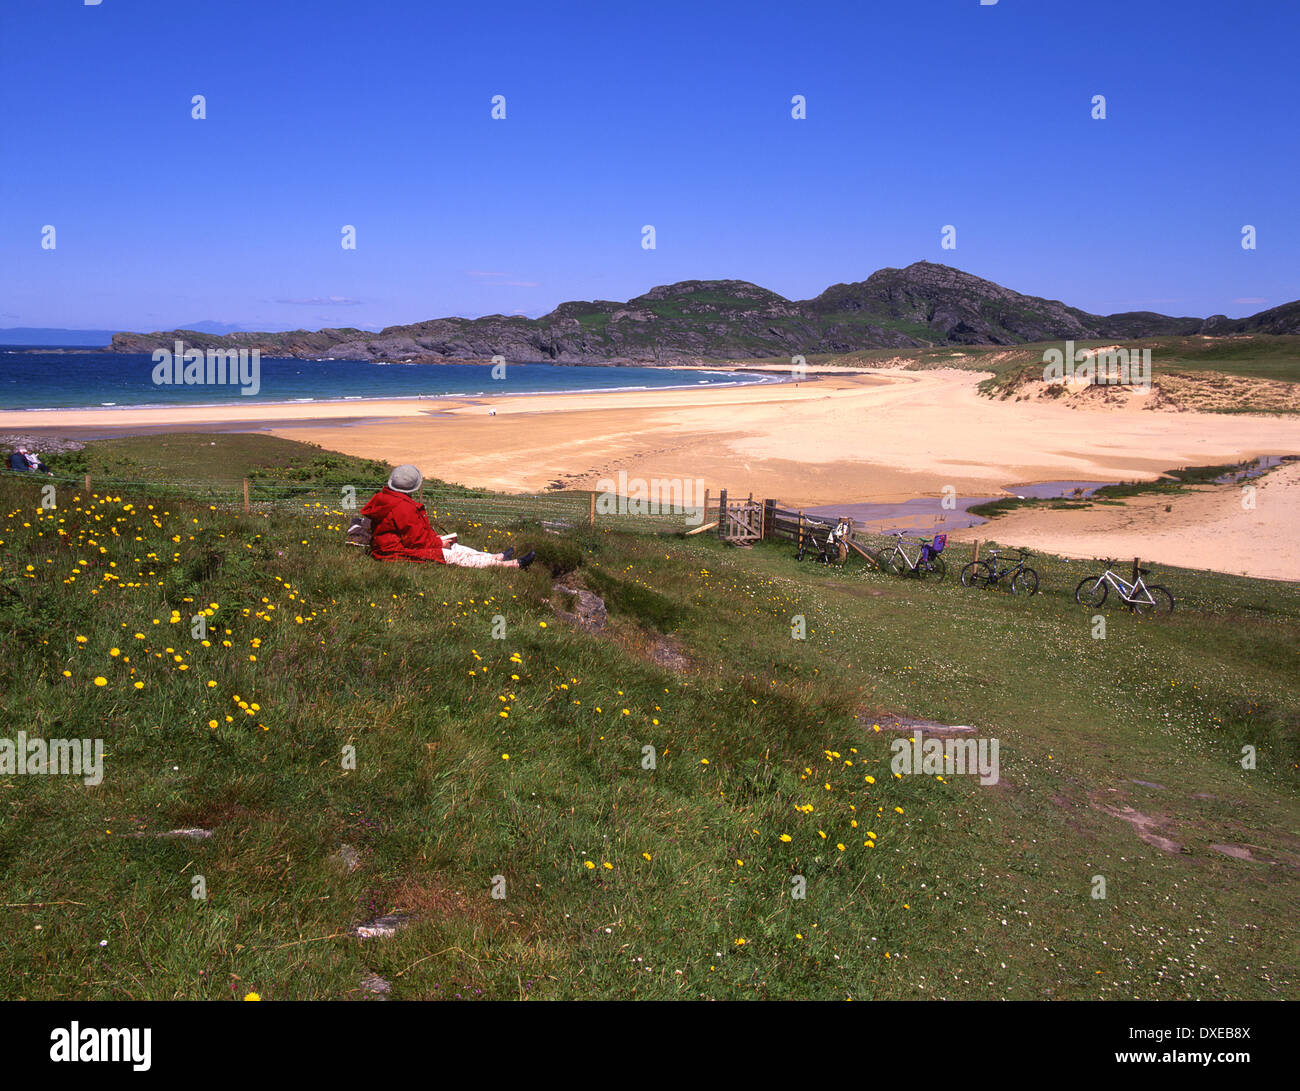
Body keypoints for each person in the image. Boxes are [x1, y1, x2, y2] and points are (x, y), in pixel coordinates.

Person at [360, 464, 534, 569]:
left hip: (389, 548)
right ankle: (508, 565)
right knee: (451, 555)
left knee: (453, 546)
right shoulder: (403, 507)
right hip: (394, 553)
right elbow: (415, 541)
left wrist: (437, 540)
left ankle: (494, 557)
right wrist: (438, 543)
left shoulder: (383, 498)